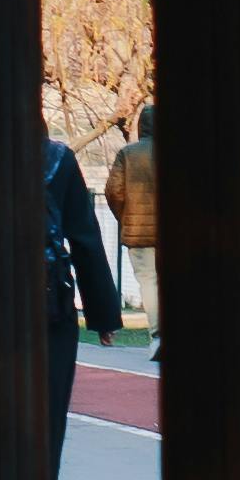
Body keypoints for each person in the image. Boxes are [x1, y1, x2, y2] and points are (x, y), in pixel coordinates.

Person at [46, 128, 120, 480]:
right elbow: (85, 240)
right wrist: (103, 315)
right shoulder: (57, 160)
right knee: (47, 413)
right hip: (48, 307)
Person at [105, 104, 157, 367]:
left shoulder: (128, 154)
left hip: (138, 233)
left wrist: (125, 217)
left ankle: (158, 335)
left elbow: (113, 191)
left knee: (148, 282)